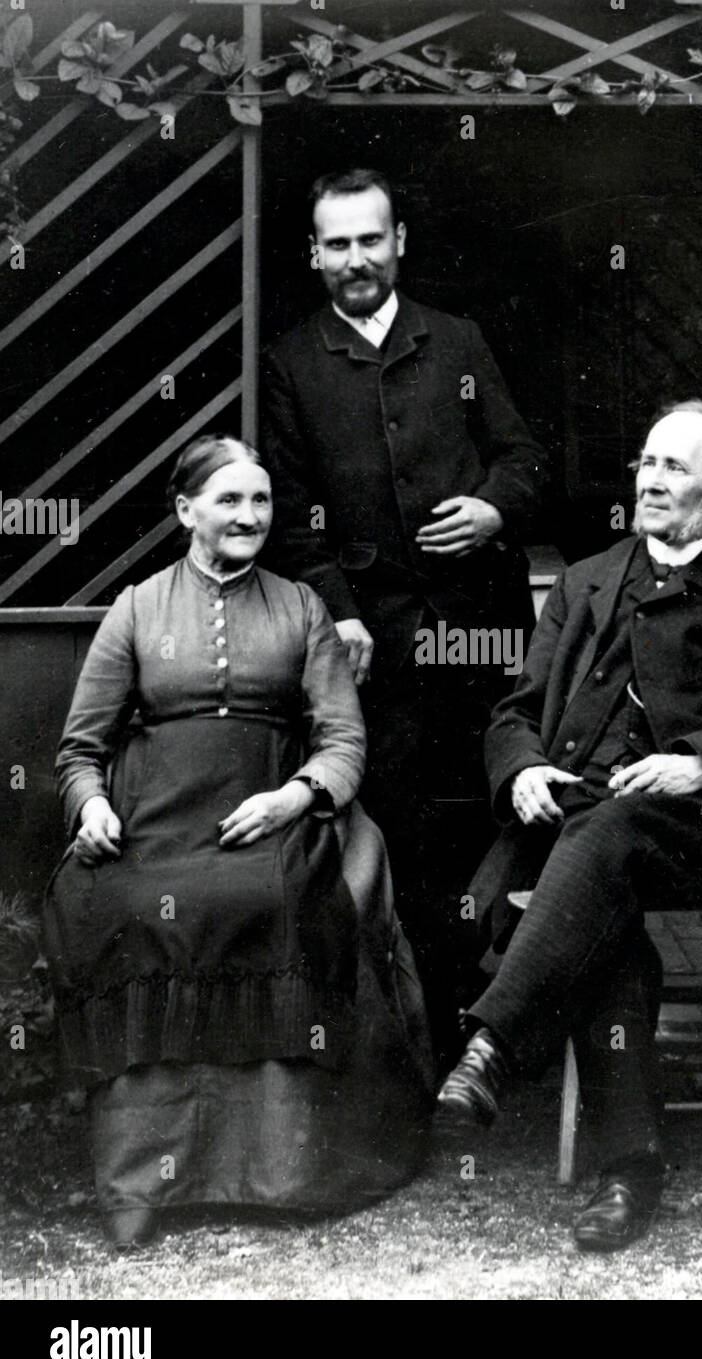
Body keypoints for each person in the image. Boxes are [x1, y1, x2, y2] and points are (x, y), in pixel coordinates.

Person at [437, 401, 702, 1252]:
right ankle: (631, 1172)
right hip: (588, 835)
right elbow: (513, 711)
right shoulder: (588, 582)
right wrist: (521, 769)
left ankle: (491, 1043)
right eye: (645, 463)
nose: (651, 480)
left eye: (675, 468)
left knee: (614, 832)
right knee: (606, 907)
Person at [42, 435, 434, 1250]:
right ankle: (146, 1180)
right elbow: (80, 749)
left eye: (260, 501)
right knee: (128, 908)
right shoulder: (138, 608)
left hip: (271, 814)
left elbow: (342, 744)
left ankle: (285, 1173)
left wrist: (294, 796)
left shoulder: (300, 606)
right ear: (186, 511)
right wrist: (89, 809)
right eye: (229, 500)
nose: (249, 516)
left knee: (278, 900)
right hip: (154, 821)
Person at [260, 168, 550, 1061]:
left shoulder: (457, 342)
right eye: (337, 244)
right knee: (400, 829)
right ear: (314, 255)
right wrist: (340, 614)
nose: (356, 259)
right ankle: (417, 1044)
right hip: (375, 644)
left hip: (483, 627)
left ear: (399, 243)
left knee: (498, 815)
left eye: (369, 240)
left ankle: (505, 1031)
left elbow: (526, 458)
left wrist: (498, 507)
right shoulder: (292, 364)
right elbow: (293, 517)